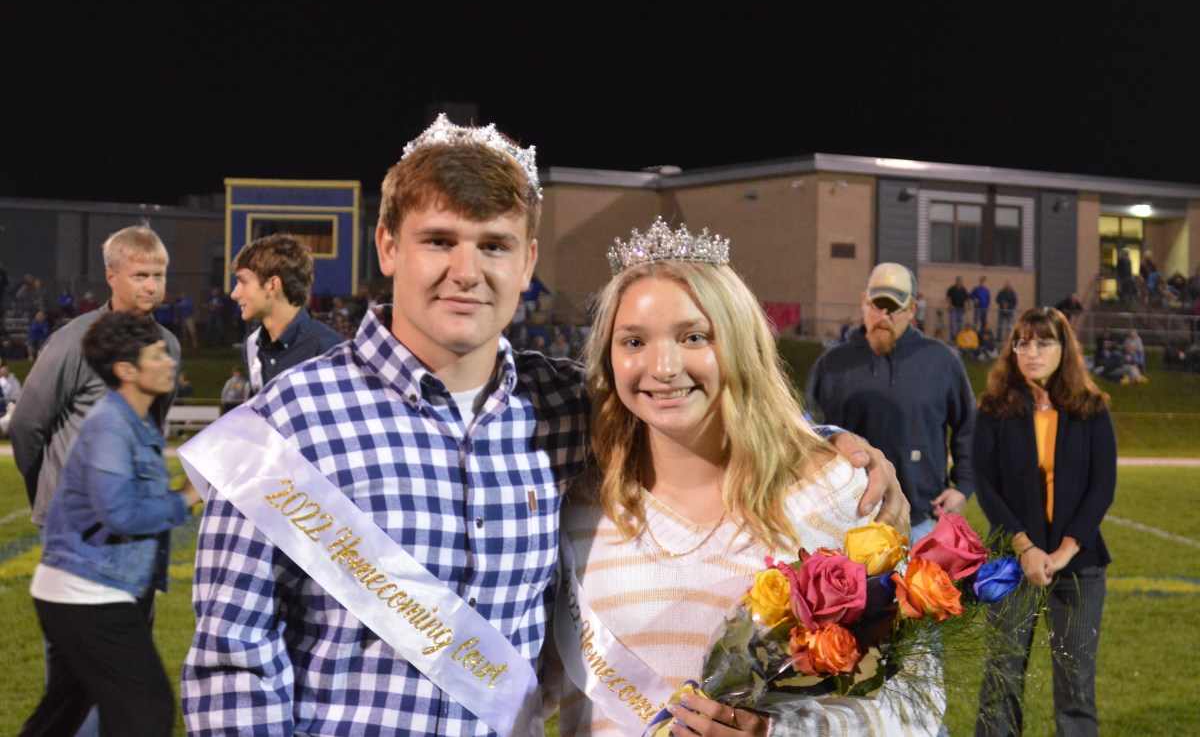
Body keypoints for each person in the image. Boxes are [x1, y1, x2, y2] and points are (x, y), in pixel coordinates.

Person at [179, 117, 904, 735]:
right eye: (439, 240)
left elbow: (694, 396)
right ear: (388, 247)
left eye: (493, 245)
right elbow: (233, 663)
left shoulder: (562, 405)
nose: (467, 270)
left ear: (527, 261)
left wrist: (831, 441)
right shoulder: (283, 424)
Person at [555, 223, 939, 736]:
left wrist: (779, 734)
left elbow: (919, 700)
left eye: (694, 337)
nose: (663, 366)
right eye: (633, 341)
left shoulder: (837, 492)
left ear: (739, 343)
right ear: (609, 356)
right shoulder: (580, 507)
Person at [9, 224, 181, 737]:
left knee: (127, 661)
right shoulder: (72, 341)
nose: (151, 285)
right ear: (112, 277)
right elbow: (26, 426)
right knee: (80, 671)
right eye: (140, 275)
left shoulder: (167, 343)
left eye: (159, 275)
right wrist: (49, 495)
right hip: (79, 535)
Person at [972, 307, 1116, 737]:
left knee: (1076, 689)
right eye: (1023, 343)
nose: (1031, 352)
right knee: (1001, 680)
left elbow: (1102, 486)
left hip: (1078, 567)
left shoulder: (1091, 409)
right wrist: (1026, 547)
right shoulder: (995, 409)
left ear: (1063, 348)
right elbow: (986, 484)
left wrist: (1062, 552)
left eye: (1043, 342)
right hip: (1013, 565)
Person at [807, 263, 975, 543]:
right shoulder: (832, 365)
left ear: (911, 310)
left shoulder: (940, 362)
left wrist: (965, 484)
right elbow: (808, 435)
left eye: (893, 307)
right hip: (848, 526)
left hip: (921, 523)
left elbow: (968, 428)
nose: (883, 315)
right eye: (877, 305)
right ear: (864, 302)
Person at [229, 232, 344, 395]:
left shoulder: (329, 349)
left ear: (273, 285)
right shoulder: (252, 345)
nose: (235, 293)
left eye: (243, 281)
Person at [946, 276, 970, 340]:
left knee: (961, 324)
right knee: (953, 323)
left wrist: (968, 306)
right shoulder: (952, 289)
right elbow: (948, 298)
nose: (959, 283)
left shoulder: (964, 289)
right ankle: (953, 337)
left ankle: (959, 336)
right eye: (958, 281)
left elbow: (967, 298)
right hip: (954, 309)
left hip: (961, 309)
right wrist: (950, 306)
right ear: (956, 281)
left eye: (960, 281)